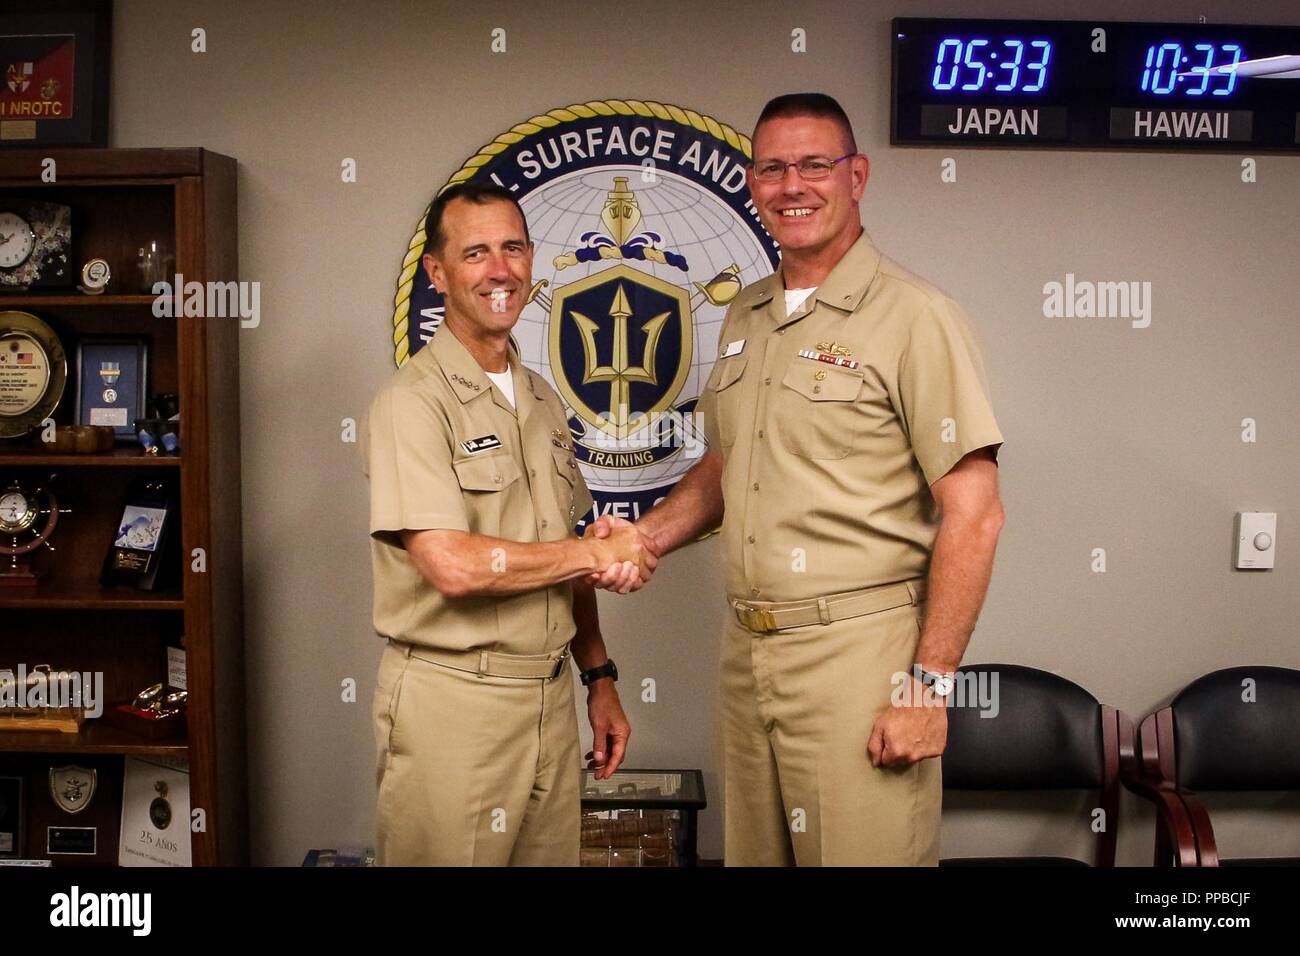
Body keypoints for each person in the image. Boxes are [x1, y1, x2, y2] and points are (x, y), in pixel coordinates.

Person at [588, 93, 1006, 866]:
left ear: (857, 176)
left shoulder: (917, 317)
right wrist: (643, 538)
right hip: (748, 653)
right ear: (752, 182)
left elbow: (975, 514)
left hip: (859, 655)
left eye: (815, 165)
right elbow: (724, 466)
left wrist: (927, 691)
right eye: (775, 168)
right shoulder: (748, 316)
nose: (794, 185)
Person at [364, 181, 653, 866]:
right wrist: (595, 554)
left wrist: (599, 676)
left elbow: (565, 546)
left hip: (549, 697)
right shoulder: (413, 404)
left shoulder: (541, 398)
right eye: (475, 253)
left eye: (513, 248)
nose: (500, 269)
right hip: (456, 702)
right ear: (437, 273)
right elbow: (452, 565)